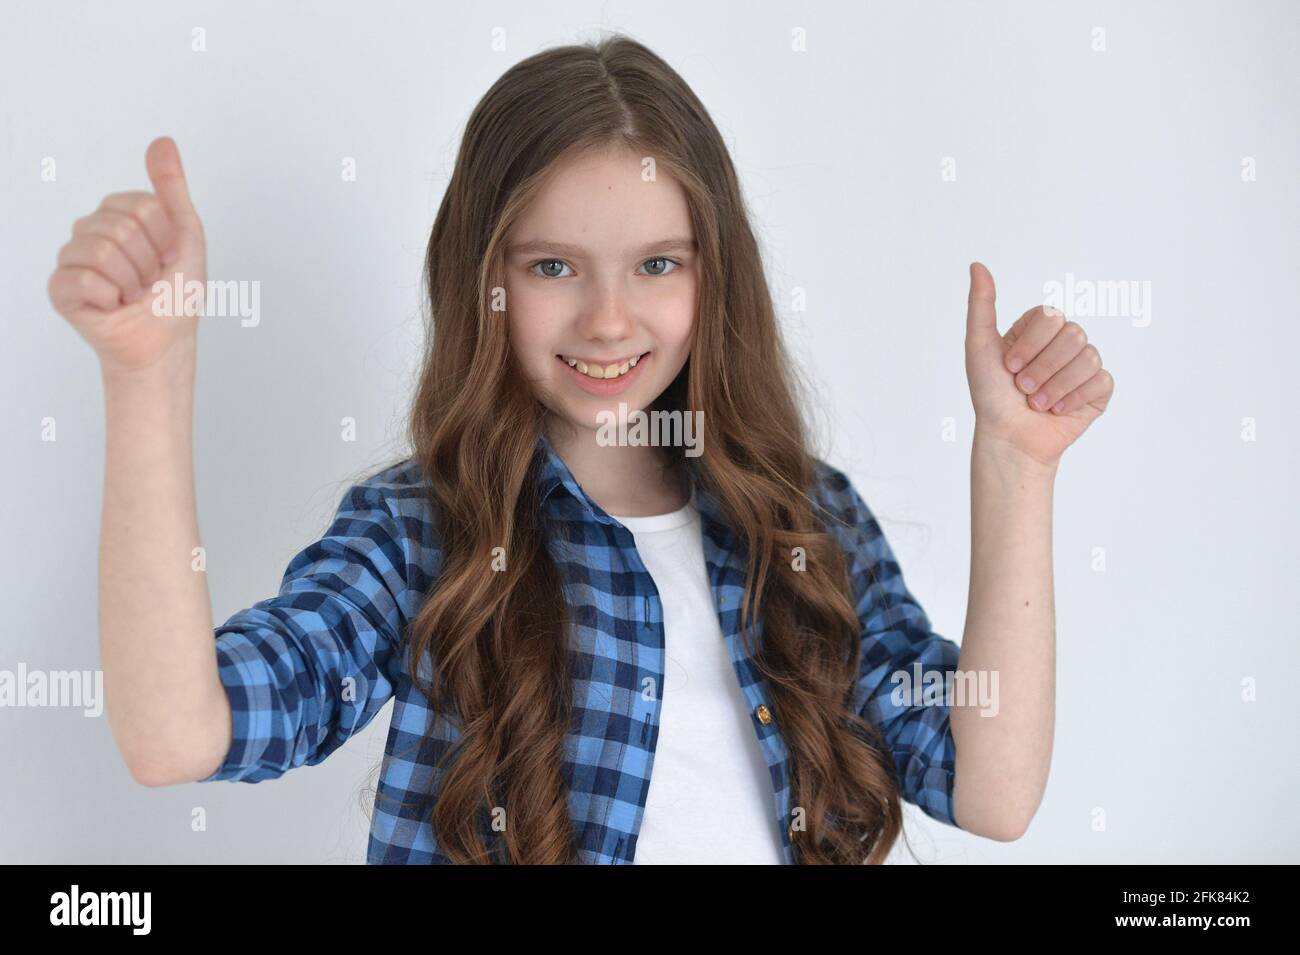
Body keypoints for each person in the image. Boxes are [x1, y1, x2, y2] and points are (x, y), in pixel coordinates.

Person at [46, 33, 1114, 864]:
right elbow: (180, 732)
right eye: (555, 267)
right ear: (488, 280)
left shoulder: (808, 522)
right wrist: (147, 376)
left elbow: (992, 787)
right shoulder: (423, 531)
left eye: (657, 265)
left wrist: (1017, 467)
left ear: (716, 276)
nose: (609, 320)